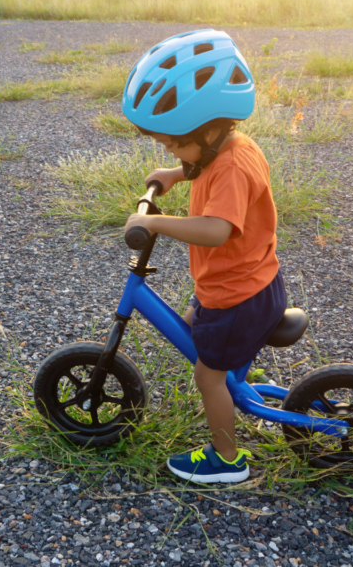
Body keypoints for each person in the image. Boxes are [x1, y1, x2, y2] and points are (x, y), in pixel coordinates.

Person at [121, 29, 287, 484]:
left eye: (174, 143)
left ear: (210, 129)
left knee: (207, 377)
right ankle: (235, 380)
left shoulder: (230, 165)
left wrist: (153, 222)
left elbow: (216, 230)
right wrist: (177, 173)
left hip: (238, 296)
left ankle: (227, 460)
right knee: (197, 324)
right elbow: (205, 164)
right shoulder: (232, 147)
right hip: (249, 283)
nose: (171, 150)